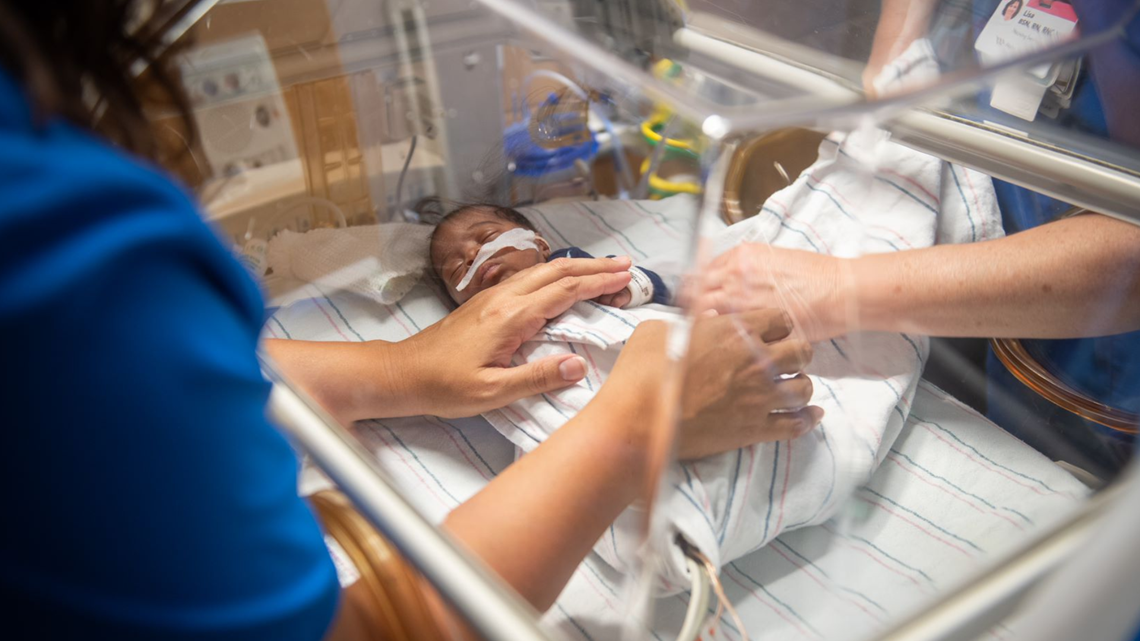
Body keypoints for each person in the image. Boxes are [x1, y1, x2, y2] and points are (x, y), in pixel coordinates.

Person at [0, 1, 818, 639]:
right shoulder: (63, 235)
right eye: (455, 267)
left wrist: (397, 372)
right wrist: (636, 419)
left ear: (540, 238)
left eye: (490, 237)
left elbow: (140, 375)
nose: (474, 260)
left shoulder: (61, 234)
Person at [709, 0, 1140, 477]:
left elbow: (1131, 246)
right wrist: (894, 83)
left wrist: (842, 288)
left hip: (1097, 339)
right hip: (971, 216)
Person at [429, 203, 669, 308]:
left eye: (488, 236)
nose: (472, 255)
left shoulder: (569, 261)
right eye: (456, 269)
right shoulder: (473, 324)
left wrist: (629, 289)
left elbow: (659, 288)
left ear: (540, 245)